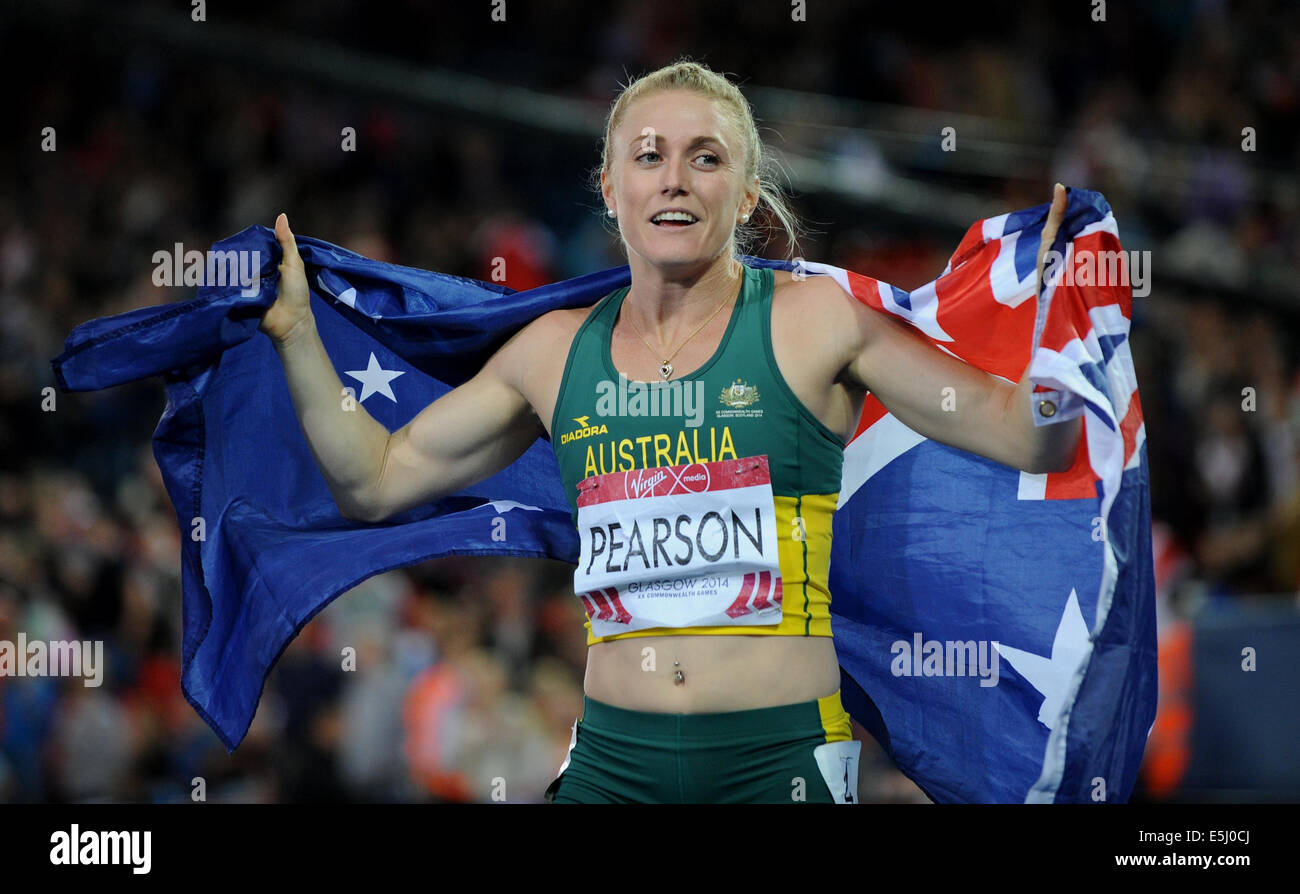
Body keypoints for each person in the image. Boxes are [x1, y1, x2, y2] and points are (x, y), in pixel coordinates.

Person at [257, 60, 1078, 803]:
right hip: (615, 767)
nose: (674, 180)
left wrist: (1061, 341)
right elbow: (373, 481)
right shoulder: (549, 356)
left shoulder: (816, 325)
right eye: (649, 156)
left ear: (749, 192)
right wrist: (297, 337)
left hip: (778, 762)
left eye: (706, 157)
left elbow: (1029, 438)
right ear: (610, 188)